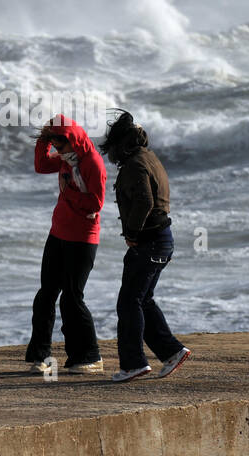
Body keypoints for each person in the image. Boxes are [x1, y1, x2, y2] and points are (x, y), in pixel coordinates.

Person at [100, 111, 190, 382]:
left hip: (149, 242)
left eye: (112, 148)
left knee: (129, 303)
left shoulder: (135, 165)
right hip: (162, 240)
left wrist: (132, 233)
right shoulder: (148, 157)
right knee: (142, 299)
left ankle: (133, 364)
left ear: (123, 144)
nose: (111, 155)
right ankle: (172, 352)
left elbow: (144, 202)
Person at [25, 114, 106, 375]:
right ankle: (40, 357)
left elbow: (95, 203)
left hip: (82, 238)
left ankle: (89, 356)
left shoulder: (91, 162)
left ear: (74, 141)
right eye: (56, 147)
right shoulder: (66, 159)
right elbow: (40, 165)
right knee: (46, 295)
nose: (58, 152)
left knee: (72, 299)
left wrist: (68, 190)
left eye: (61, 146)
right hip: (58, 233)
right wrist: (44, 140)